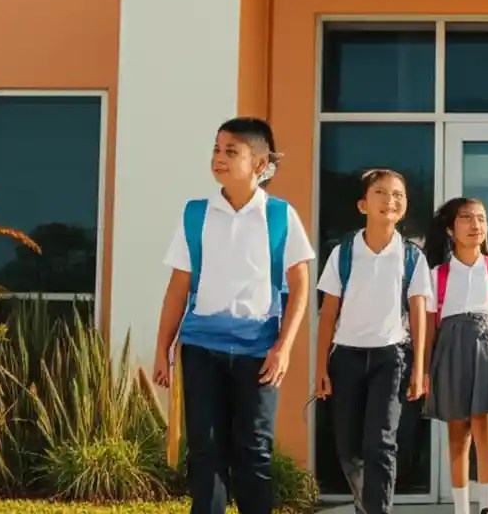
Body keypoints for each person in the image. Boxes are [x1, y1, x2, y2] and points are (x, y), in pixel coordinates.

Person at [152, 117, 314, 514]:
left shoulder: (280, 216)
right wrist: (163, 349)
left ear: (260, 164)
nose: (219, 158)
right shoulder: (196, 214)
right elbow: (178, 288)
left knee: (253, 453)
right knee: (205, 454)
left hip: (259, 353)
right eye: (216, 149)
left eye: (231, 151)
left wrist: (284, 348)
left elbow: (300, 287)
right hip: (201, 348)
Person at [315, 168, 427, 514]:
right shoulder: (343, 253)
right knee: (349, 448)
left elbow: (419, 314)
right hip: (346, 358)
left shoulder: (412, 256)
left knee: (380, 443)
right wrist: (321, 368)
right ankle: (368, 505)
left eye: (398, 195)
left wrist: (419, 368)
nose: (390, 200)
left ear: (405, 206)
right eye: (381, 192)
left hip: (390, 358)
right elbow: (328, 313)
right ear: (363, 204)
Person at [416, 197, 488, 514]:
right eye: (466, 218)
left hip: (487, 349)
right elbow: (429, 329)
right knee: (458, 434)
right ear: (450, 228)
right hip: (450, 351)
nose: (475, 225)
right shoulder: (437, 275)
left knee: (486, 428)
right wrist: (425, 371)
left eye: (481, 218)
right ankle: (461, 508)